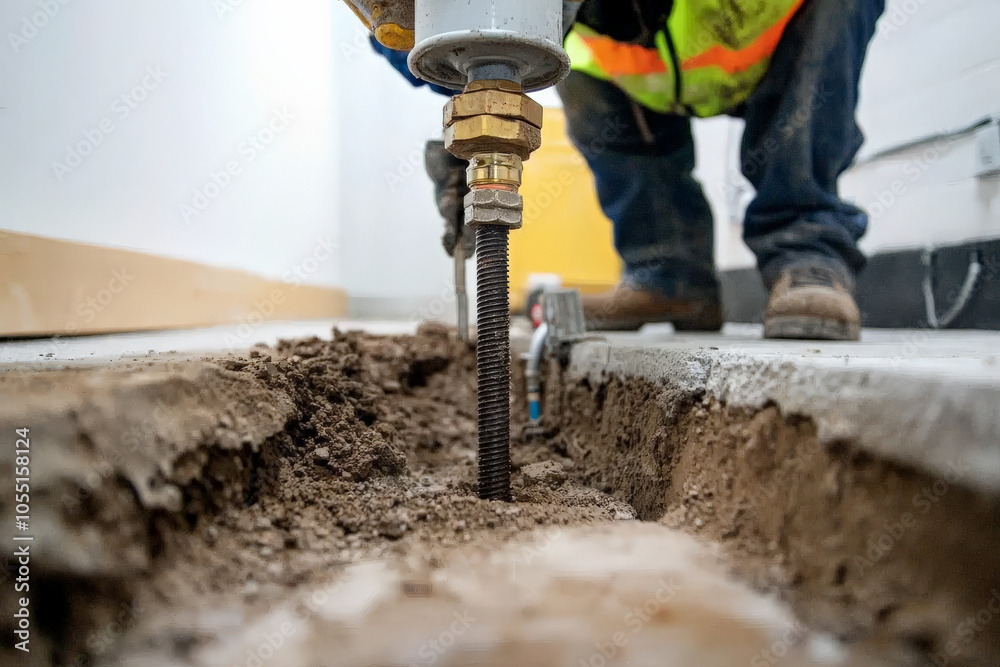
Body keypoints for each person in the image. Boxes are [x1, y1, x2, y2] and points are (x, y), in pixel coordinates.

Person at [374, 0, 887, 341]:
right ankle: (669, 271)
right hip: (638, 61)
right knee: (572, 55)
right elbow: (403, 31)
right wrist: (468, 77)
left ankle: (806, 249)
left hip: (773, 21)